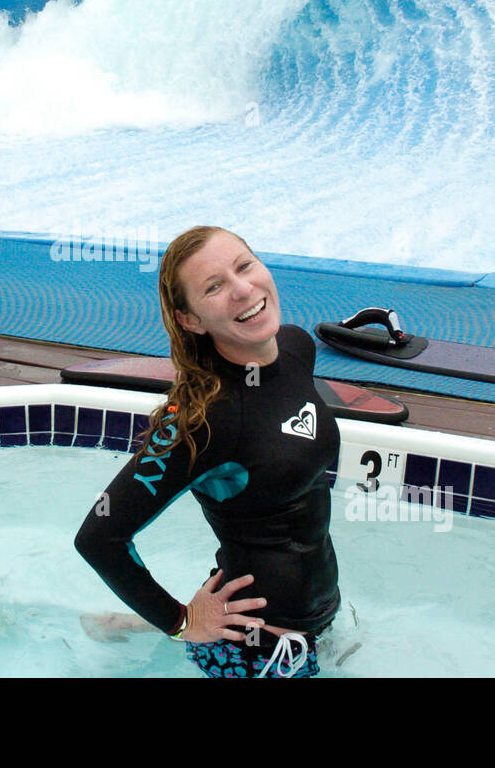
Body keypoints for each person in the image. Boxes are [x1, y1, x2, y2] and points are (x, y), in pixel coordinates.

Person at [74, 226, 343, 678]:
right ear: (190, 319)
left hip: (321, 613)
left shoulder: (297, 349)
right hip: (254, 646)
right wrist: (179, 622)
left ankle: (128, 626)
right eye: (214, 288)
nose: (242, 290)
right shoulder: (200, 421)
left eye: (244, 266)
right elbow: (99, 537)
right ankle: (150, 628)